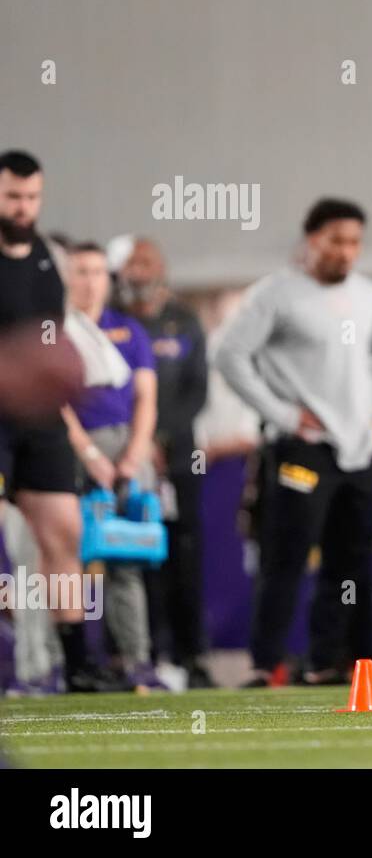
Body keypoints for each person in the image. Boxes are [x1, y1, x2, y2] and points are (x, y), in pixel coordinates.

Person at [216, 198, 372, 687]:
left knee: (352, 561)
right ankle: (264, 663)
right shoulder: (274, 294)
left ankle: (327, 661)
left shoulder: (370, 295)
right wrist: (280, 414)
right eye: (336, 240)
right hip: (300, 448)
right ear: (311, 239)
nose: (346, 251)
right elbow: (231, 356)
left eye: (355, 242)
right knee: (286, 555)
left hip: (358, 447)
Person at [0, 151, 109, 693]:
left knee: (64, 531)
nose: (22, 207)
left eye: (31, 198)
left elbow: (56, 344)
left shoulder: (48, 257)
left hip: (38, 418)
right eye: (12, 197)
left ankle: (78, 664)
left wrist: (79, 437)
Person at [61, 242, 168, 690]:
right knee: (65, 561)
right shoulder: (54, 331)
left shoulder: (127, 329)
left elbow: (147, 397)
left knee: (127, 559)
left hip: (126, 450)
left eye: (99, 272)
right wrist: (87, 452)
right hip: (71, 449)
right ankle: (66, 666)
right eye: (81, 271)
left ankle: (136, 662)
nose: (91, 281)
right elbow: (51, 399)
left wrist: (134, 454)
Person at [116, 237, 212, 687]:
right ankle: (142, 656)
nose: (140, 271)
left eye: (147, 261)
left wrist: (164, 436)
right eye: (132, 263)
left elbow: (198, 390)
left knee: (184, 554)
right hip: (125, 456)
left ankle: (192, 657)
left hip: (179, 458)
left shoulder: (183, 320)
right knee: (135, 554)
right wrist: (139, 441)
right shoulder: (111, 321)